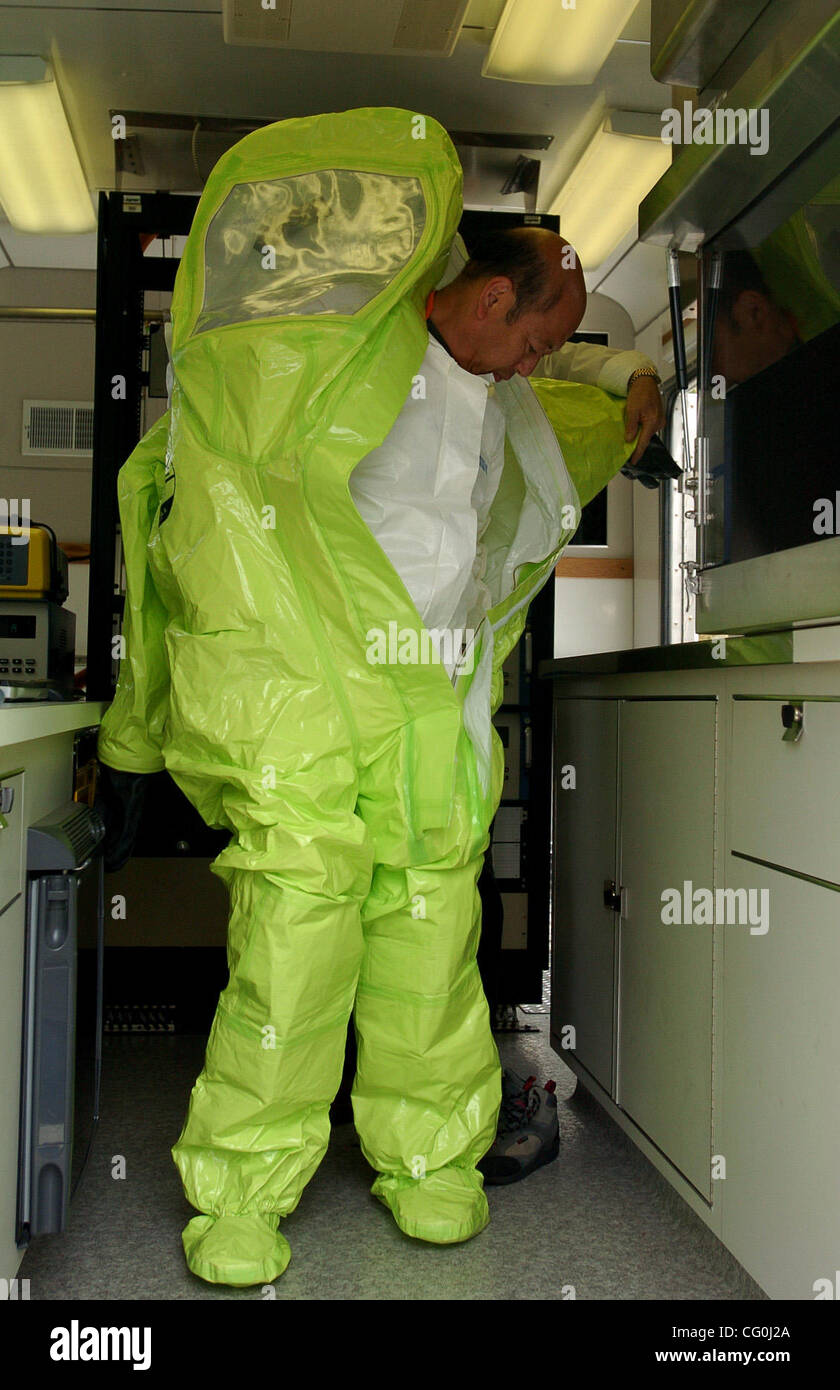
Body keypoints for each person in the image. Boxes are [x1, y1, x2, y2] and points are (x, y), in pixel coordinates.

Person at [95, 107, 659, 1286]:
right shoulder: (326, 349)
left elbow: (597, 381)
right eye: (535, 337)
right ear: (490, 300)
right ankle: (244, 1183)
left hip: (426, 701)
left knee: (428, 930)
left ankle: (428, 1159)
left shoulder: (505, 404)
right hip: (299, 679)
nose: (536, 364)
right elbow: (224, 406)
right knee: (300, 931)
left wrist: (622, 364)